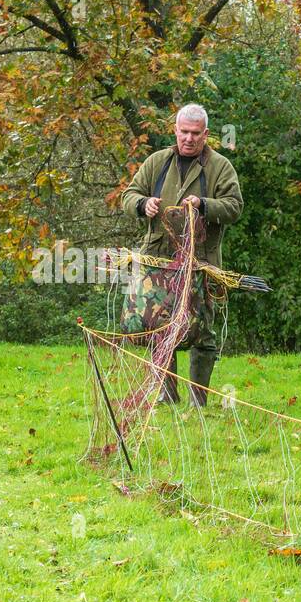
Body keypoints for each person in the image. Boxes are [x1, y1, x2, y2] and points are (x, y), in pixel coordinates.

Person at [120, 103, 243, 405]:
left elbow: (234, 207)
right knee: (159, 328)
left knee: (201, 332)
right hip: (158, 261)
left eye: (195, 133)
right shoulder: (156, 162)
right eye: (184, 132)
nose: (188, 138)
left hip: (201, 265)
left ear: (206, 134)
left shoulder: (220, 167)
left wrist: (203, 204)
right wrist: (142, 203)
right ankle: (167, 394)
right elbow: (128, 195)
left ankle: (199, 399)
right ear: (174, 130)